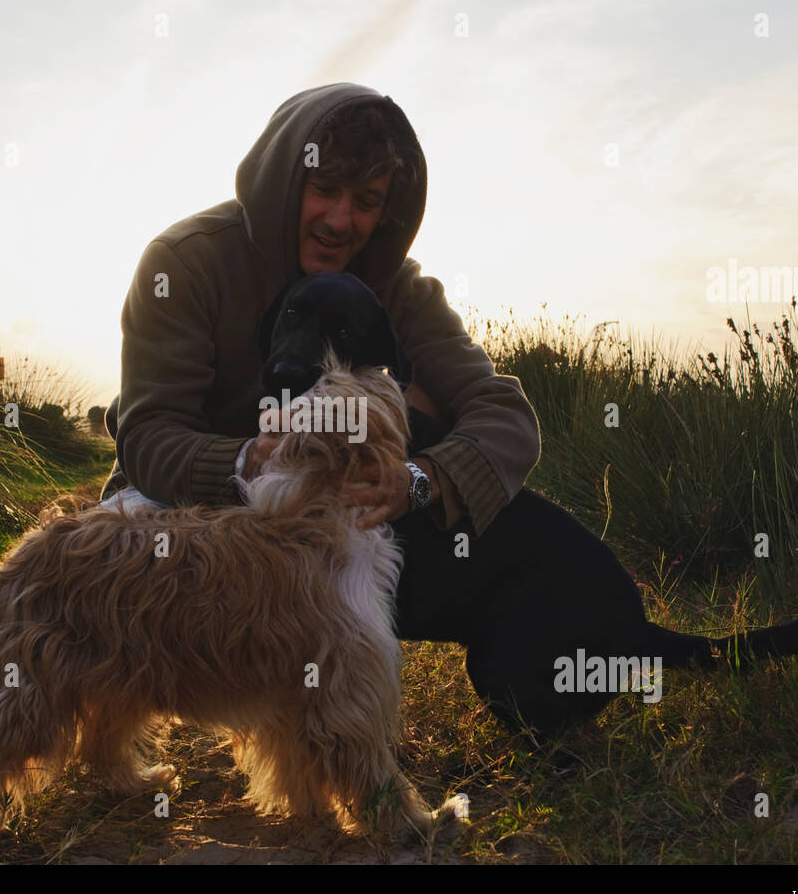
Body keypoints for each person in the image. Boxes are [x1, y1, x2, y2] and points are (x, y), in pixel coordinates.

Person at [101, 82, 551, 731]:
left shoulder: (398, 288)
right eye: (324, 190)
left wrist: (418, 481)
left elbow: (504, 414)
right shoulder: (184, 262)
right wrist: (252, 462)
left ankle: (346, 713)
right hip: (193, 512)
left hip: (334, 522)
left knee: (491, 549)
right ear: (282, 180)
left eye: (366, 202)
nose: (341, 221)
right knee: (115, 586)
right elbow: (146, 437)